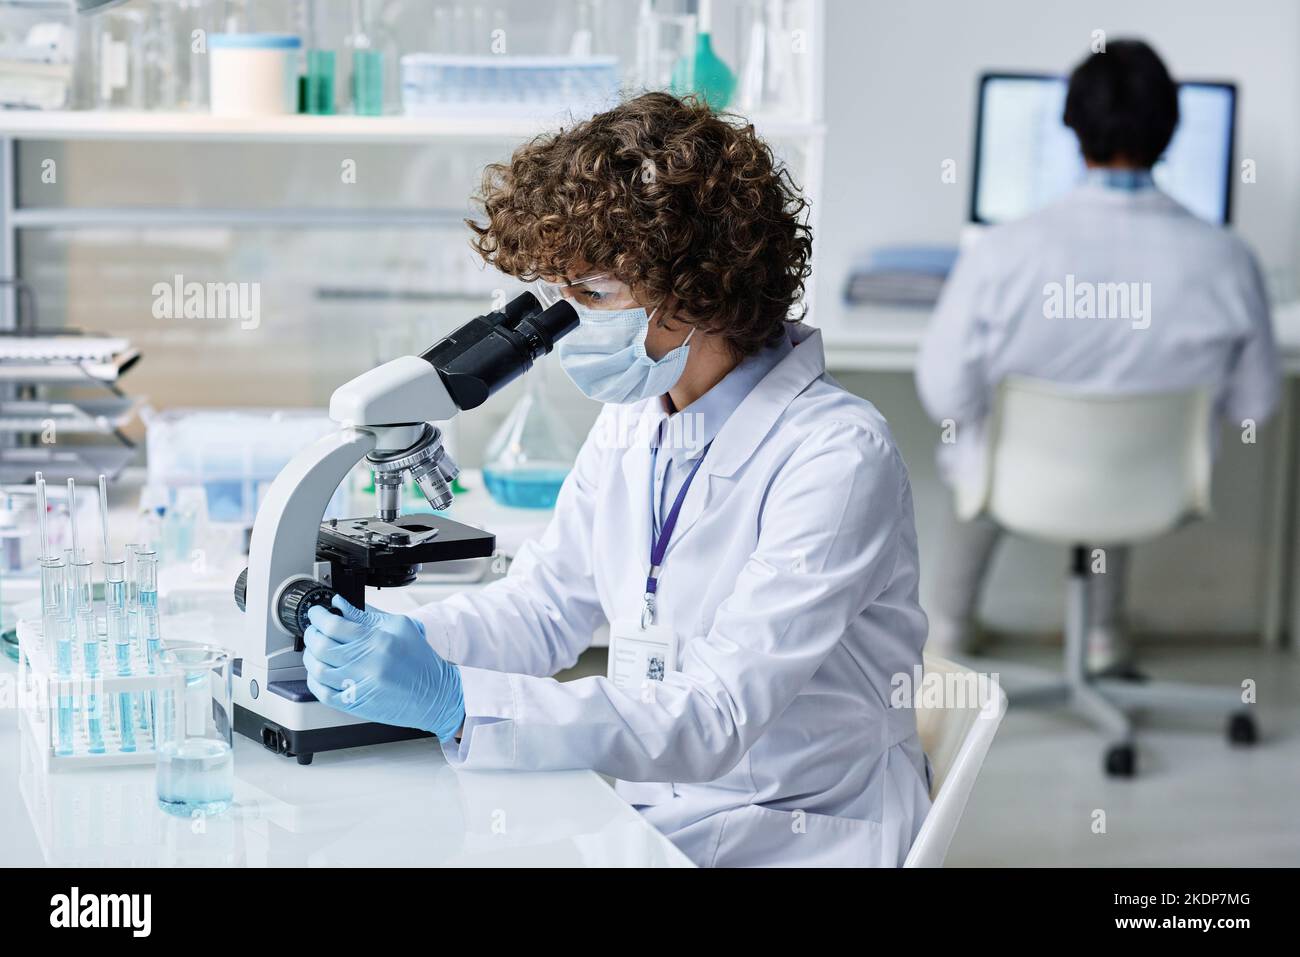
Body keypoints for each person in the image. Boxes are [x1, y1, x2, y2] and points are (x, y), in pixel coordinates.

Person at [301, 92, 932, 867]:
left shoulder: (837, 457)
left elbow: (715, 713)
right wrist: (402, 645)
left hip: (794, 825)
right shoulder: (642, 412)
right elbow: (545, 610)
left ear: (700, 293)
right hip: (656, 798)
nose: (569, 325)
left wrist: (454, 697)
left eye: (593, 296)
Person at [917, 40, 1279, 667]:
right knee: (1124, 442)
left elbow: (945, 394)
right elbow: (1257, 405)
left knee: (977, 439)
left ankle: (947, 631)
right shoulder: (1229, 259)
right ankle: (1104, 637)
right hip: (1153, 487)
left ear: (1070, 127)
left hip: (1017, 484)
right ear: (1170, 131)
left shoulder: (1002, 254)